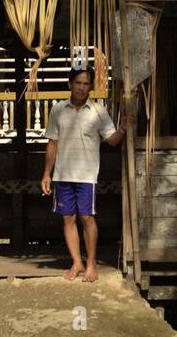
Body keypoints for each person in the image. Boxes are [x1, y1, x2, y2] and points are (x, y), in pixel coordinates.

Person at [40, 67, 124, 282]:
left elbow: (112, 140)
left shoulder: (98, 111)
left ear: (90, 87)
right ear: (70, 84)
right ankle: (77, 262)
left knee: (87, 217)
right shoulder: (58, 110)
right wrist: (46, 174)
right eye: (78, 83)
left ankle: (92, 263)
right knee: (68, 218)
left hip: (87, 175)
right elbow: (52, 143)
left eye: (86, 83)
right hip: (62, 174)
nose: (81, 87)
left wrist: (124, 128)